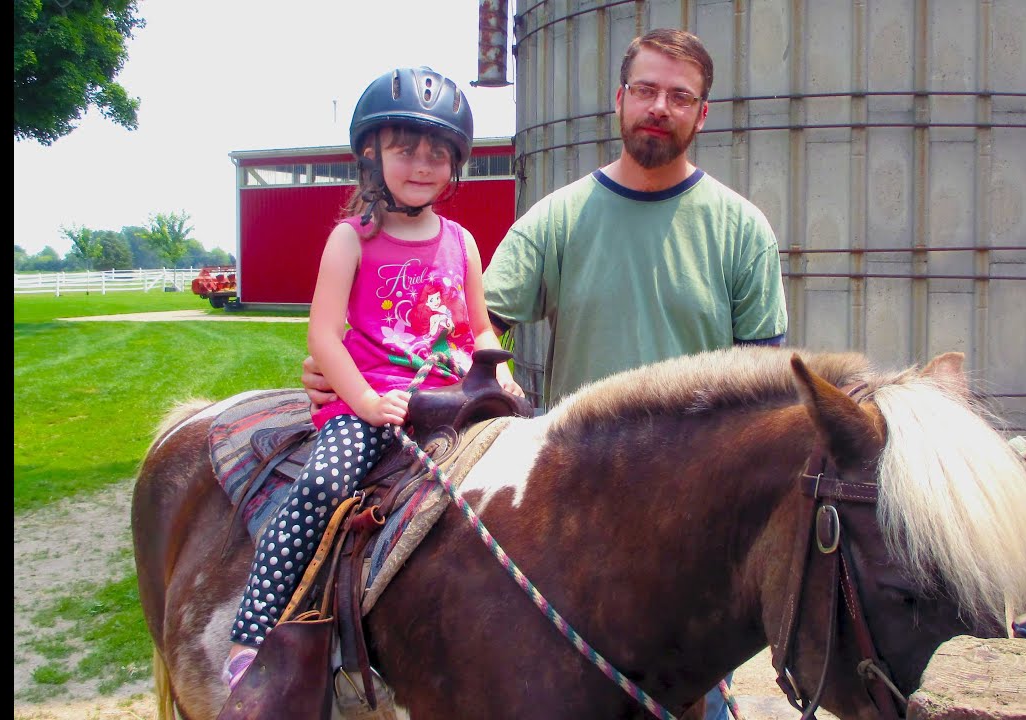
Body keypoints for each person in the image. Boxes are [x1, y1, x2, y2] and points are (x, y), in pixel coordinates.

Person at [302, 30, 786, 719]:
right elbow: (443, 327)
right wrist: (339, 365)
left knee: (689, 696)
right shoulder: (557, 220)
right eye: (645, 90)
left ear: (701, 114)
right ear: (620, 101)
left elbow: (764, 392)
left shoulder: (743, 231)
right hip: (581, 513)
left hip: (693, 530)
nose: (659, 106)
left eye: (679, 97)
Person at [221, 65, 523, 691]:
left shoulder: (462, 241)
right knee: (323, 485)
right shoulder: (351, 239)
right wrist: (361, 401)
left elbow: (480, 329)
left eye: (438, 153)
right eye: (404, 149)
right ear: (371, 155)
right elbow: (323, 337)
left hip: (453, 398)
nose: (421, 164)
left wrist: (503, 375)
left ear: (455, 163)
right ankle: (257, 630)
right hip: (373, 405)